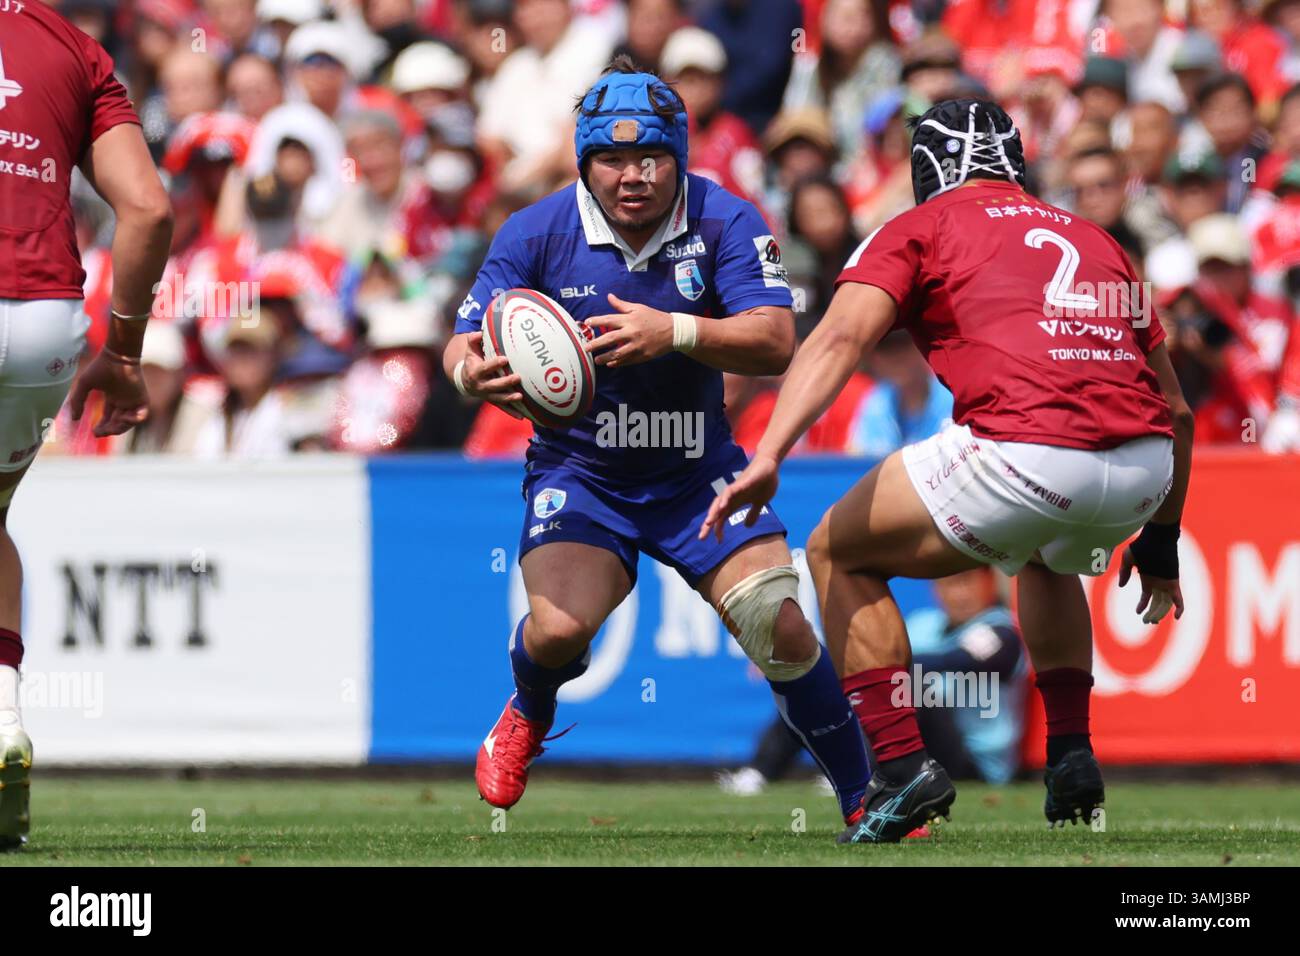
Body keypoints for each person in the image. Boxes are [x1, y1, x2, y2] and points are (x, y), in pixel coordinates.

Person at [702, 99, 1195, 842]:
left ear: (925, 167)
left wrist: (769, 450)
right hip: (1143, 469)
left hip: (1029, 452)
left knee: (839, 551)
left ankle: (901, 770)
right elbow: (1178, 411)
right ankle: (1070, 755)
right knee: (1044, 555)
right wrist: (1159, 543)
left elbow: (838, 338)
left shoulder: (918, 226)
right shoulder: (1096, 239)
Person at [446, 58, 877, 842]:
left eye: (651, 157)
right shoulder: (537, 228)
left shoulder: (728, 219)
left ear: (680, 156)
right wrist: (471, 373)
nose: (632, 175)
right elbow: (465, 337)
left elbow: (777, 340)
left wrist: (672, 330)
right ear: (584, 162)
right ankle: (528, 711)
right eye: (611, 159)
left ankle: (866, 799)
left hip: (697, 470)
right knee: (557, 632)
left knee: (780, 626)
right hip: (583, 470)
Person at [0, 1, 174, 848]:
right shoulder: (73, 46)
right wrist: (127, 354)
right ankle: (0, 717)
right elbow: (147, 208)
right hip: (42, 320)